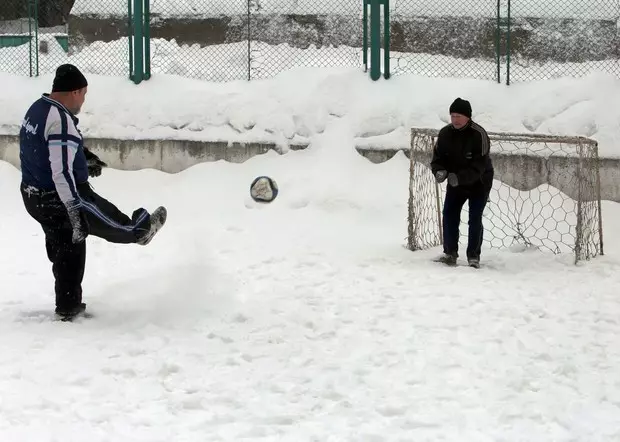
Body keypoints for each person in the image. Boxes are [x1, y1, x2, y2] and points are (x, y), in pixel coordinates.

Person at [19, 64, 167, 320]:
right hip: (60, 197)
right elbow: (61, 172)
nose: (84, 101)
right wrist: (74, 209)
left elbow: (40, 149)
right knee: (105, 221)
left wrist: (82, 157)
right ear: (74, 91)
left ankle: (68, 307)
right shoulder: (60, 120)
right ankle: (140, 231)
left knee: (68, 246)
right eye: (84, 94)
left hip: (33, 195)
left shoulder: (38, 109)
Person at [430, 97, 494, 268]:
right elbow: (437, 159)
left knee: (474, 217)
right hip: (455, 181)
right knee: (449, 213)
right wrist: (439, 172)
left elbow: (479, 166)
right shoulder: (444, 134)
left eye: (458, 116)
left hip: (479, 182)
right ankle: (450, 253)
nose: (455, 120)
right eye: (452, 116)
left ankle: (474, 256)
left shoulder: (479, 134)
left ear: (468, 117)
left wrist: (460, 177)